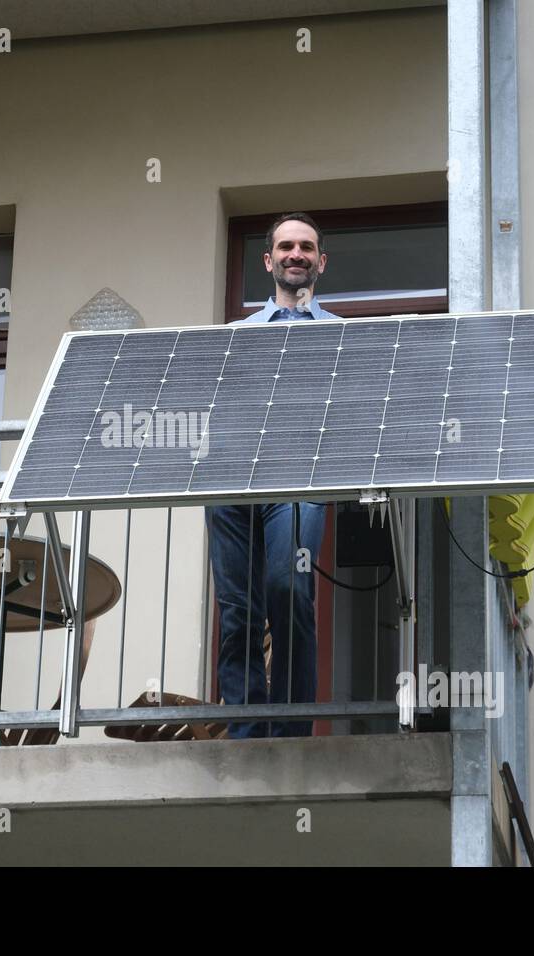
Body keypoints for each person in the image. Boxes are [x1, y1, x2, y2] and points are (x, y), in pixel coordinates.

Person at [207, 212, 339, 738]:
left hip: (301, 481)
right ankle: (245, 730)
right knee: (238, 609)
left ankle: (288, 731)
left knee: (288, 586)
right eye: (286, 246)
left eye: (306, 246)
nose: (296, 254)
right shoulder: (236, 336)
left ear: (320, 262)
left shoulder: (341, 337)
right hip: (235, 482)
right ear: (269, 261)